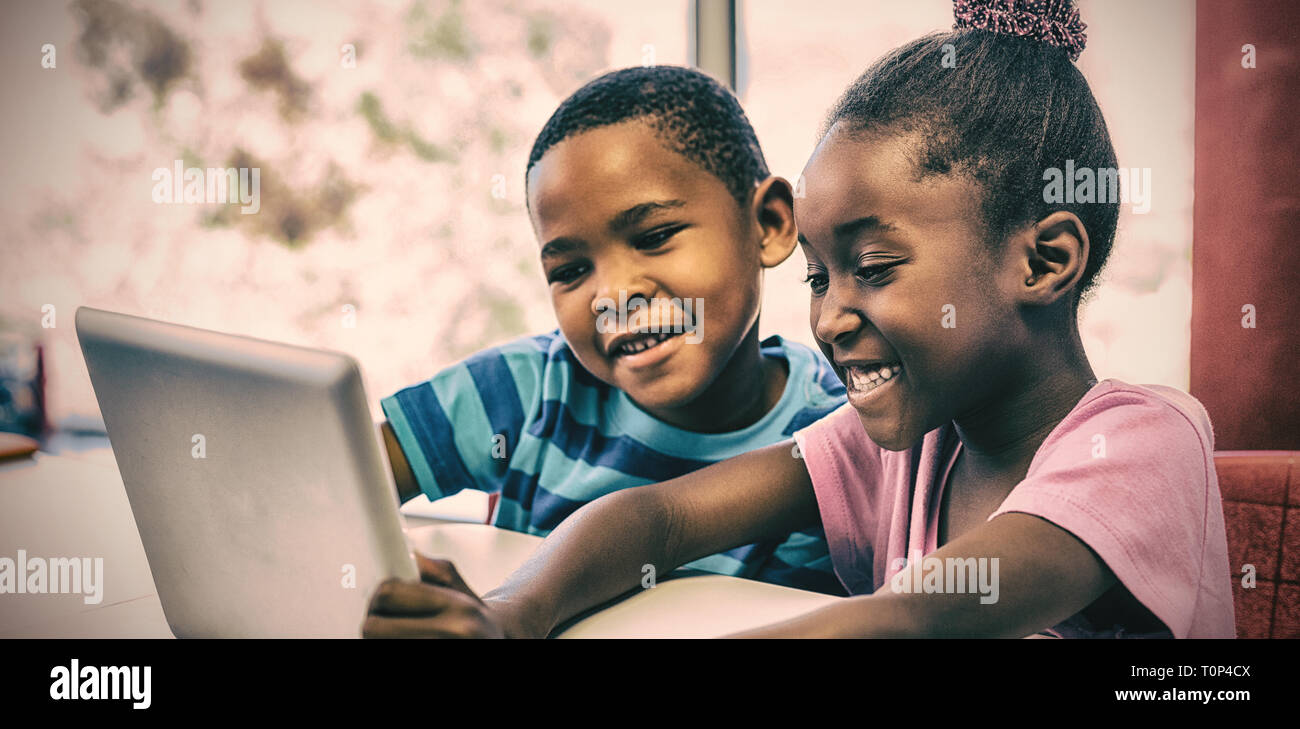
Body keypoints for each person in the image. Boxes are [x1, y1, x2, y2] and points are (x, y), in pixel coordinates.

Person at [364, 0, 1235, 638]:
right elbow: (655, 518)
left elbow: (912, 617)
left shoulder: (1138, 445)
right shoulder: (901, 446)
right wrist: (514, 613)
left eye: (875, 269)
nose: (830, 316)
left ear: (1044, 261)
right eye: (820, 277)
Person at [377, 65, 847, 596]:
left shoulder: (837, 446)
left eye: (655, 235)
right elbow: (330, 484)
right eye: (571, 271)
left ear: (769, 224)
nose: (613, 296)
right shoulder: (526, 387)